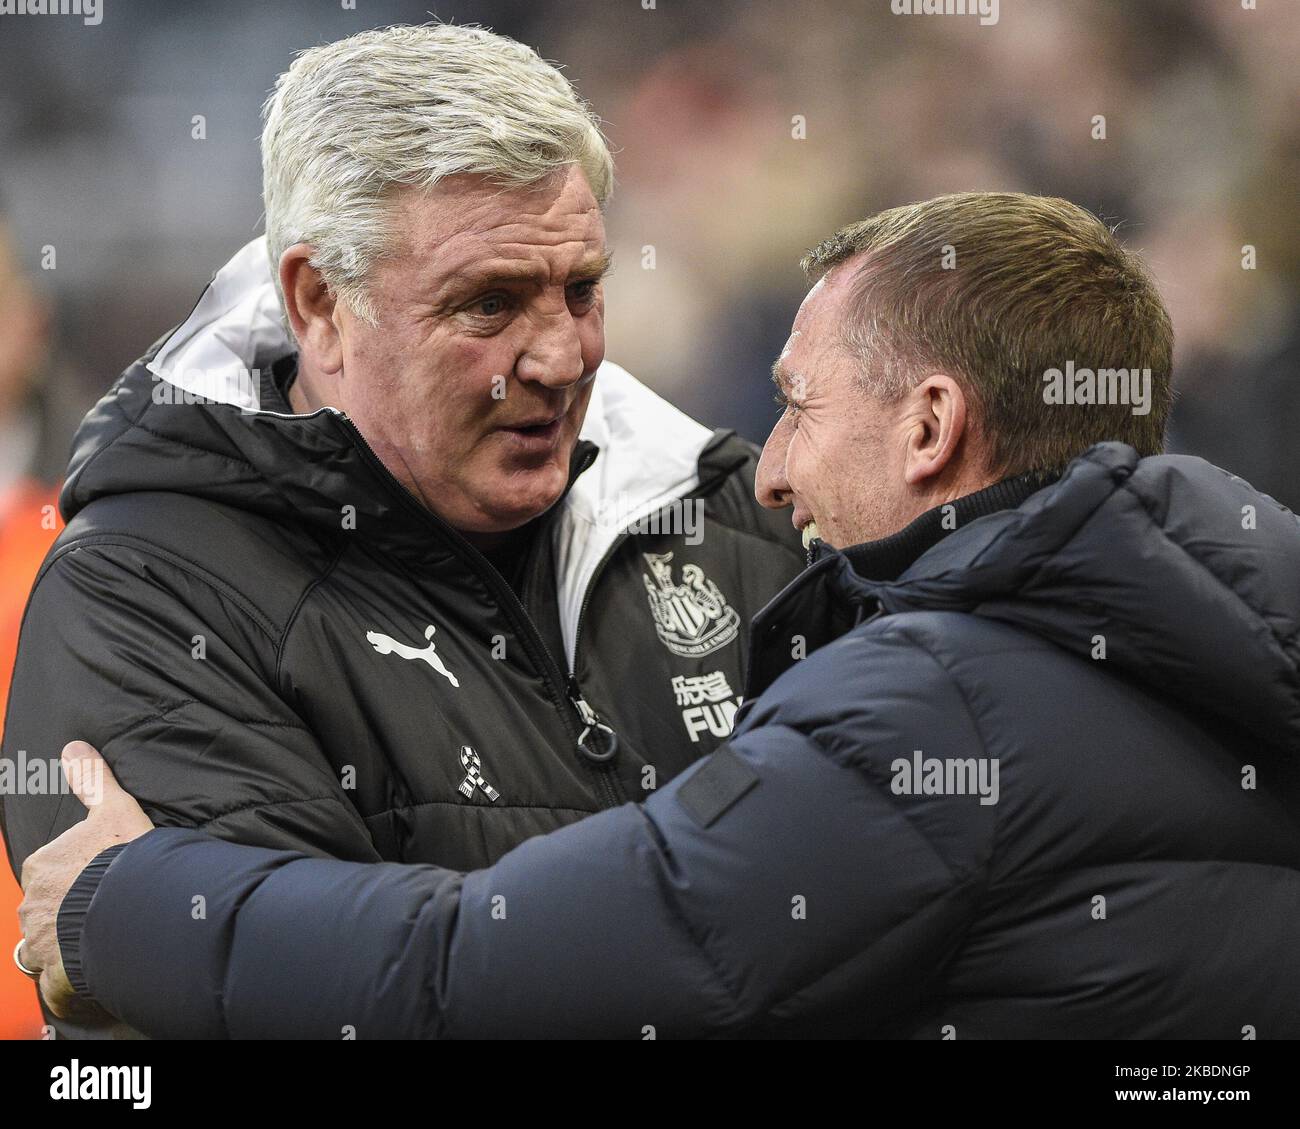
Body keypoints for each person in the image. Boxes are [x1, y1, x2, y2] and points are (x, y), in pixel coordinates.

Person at [21, 192, 1300, 1039]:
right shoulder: (1210, 637)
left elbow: (477, 981)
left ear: (929, 426)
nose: (773, 471)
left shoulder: (938, 714)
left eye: (799, 404)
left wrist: (129, 901)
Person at [0, 24, 803, 1037]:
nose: (560, 356)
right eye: (490, 303)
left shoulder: (726, 517)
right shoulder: (148, 599)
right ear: (318, 302)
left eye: (583, 289)